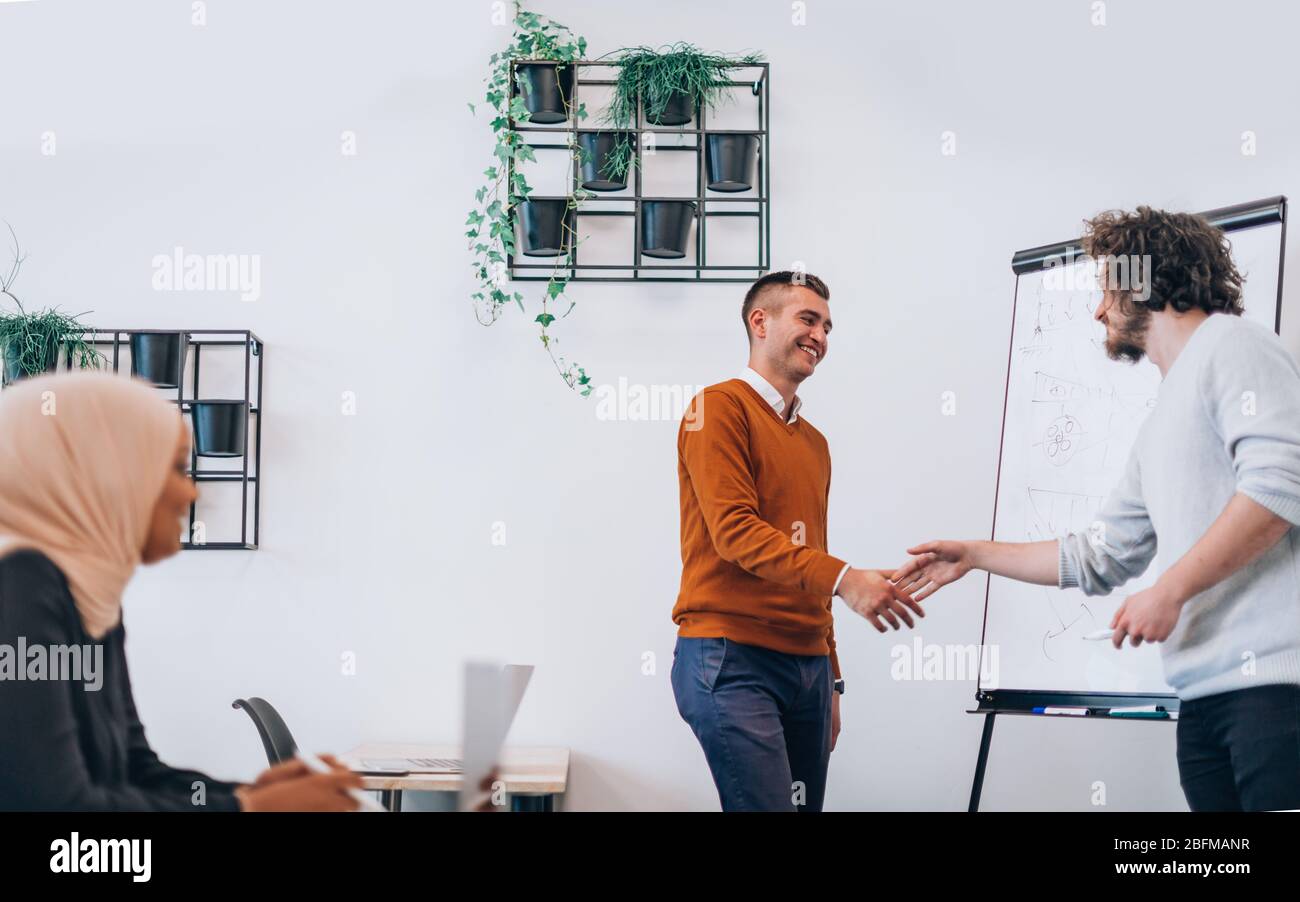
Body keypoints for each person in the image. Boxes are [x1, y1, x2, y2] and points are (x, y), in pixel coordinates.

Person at [897, 206, 1300, 811]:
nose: (1099, 309)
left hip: (1272, 694)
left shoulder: (1234, 345)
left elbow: (1279, 487)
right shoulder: (1161, 418)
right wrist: (974, 555)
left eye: (1106, 288)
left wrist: (1170, 591)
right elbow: (1098, 556)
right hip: (1205, 703)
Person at [0, 371, 362, 811]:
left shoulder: (89, 600)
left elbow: (134, 770)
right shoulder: (19, 582)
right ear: (106, 473)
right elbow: (55, 809)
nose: (191, 492)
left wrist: (250, 794)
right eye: (174, 467)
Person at [670, 270, 923, 812]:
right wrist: (845, 579)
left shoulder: (815, 443)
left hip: (806, 668)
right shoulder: (715, 410)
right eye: (808, 319)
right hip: (730, 660)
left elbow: (808, 552)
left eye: (828, 326)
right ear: (759, 322)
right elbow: (737, 533)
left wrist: (830, 676)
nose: (821, 337)